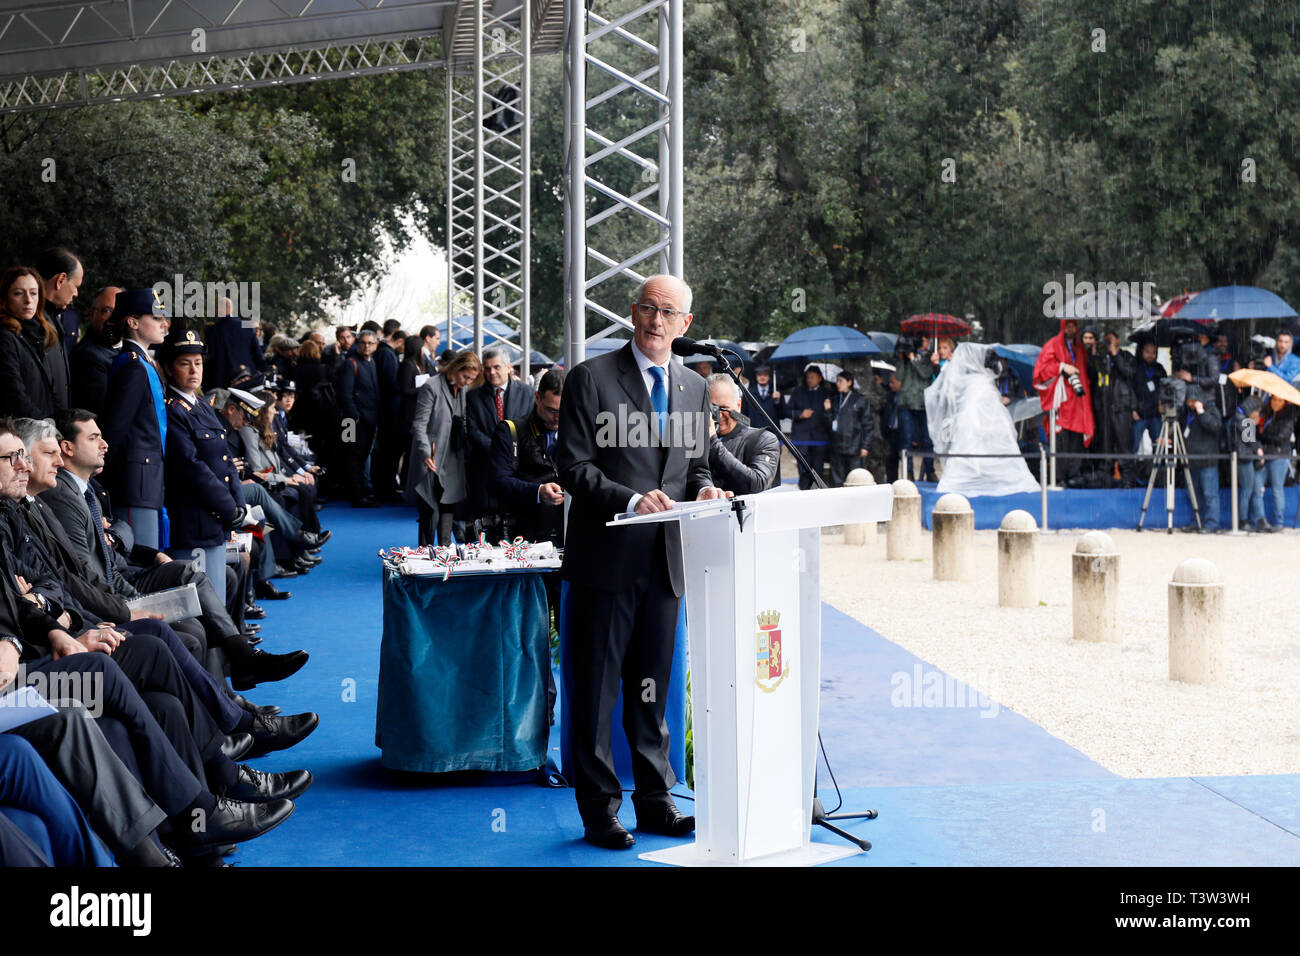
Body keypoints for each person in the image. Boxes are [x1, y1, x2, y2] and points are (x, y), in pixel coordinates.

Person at [554, 273, 723, 850]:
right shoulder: (590, 378)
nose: (655, 320)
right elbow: (573, 468)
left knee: (652, 689)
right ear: (632, 312)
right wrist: (629, 500)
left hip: (666, 562)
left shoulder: (696, 390)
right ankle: (599, 809)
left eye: (668, 312)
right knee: (598, 691)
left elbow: (692, 469)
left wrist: (703, 492)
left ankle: (656, 801)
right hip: (606, 561)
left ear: (685, 325)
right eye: (648, 308)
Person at [98, 288, 169, 549]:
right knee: (141, 560)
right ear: (133, 322)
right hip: (134, 481)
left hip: (145, 479)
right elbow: (116, 430)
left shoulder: (142, 362)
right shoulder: (132, 365)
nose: (164, 323)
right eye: (157, 317)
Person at [408, 350, 481, 546]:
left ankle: (445, 551)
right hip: (432, 456)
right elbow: (419, 425)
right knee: (428, 511)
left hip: (454, 457)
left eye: (471, 379)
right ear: (456, 368)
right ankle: (424, 553)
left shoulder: (463, 390)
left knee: (449, 506)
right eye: (465, 376)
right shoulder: (431, 386)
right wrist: (425, 453)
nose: (467, 382)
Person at [488, 368, 565, 546]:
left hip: (567, 533)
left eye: (564, 410)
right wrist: (538, 492)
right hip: (523, 536)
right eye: (552, 410)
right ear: (537, 398)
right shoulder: (509, 430)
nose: (558, 418)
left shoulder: (577, 432)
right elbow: (498, 482)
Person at [466, 346, 535, 536]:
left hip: (519, 467)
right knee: (486, 524)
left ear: (508, 367)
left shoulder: (527, 393)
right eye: (487, 368)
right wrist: (498, 451)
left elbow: (531, 426)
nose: (491, 372)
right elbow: (472, 430)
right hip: (485, 468)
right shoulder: (473, 397)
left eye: (496, 367)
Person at [1033, 319, 1094, 487]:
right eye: (1068, 325)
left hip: (1078, 404)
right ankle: (1059, 478)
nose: (1071, 328)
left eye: (1073, 325)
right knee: (1061, 441)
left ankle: (1073, 476)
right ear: (1063, 326)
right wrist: (1061, 367)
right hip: (1062, 403)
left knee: (1076, 441)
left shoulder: (1080, 349)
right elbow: (1041, 371)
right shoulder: (1052, 345)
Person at [0, 266, 65, 420]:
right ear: (4, 298)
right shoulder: (5, 337)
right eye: (18, 293)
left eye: (33, 293)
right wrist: (46, 428)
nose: (28, 300)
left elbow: (48, 389)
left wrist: (61, 421)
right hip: (24, 433)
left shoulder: (38, 332)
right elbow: (14, 395)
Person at [706, 372, 780, 495]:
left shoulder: (763, 439)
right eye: (712, 409)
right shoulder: (693, 439)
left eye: (724, 408)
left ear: (738, 405)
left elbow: (756, 485)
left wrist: (713, 443)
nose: (718, 415)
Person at [335, 328, 380, 507]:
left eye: (370, 343)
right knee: (353, 456)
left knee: (360, 457)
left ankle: (360, 492)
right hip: (353, 421)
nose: (366, 346)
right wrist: (355, 416)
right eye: (363, 342)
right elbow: (345, 394)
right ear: (357, 344)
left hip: (368, 418)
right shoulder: (350, 363)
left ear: (376, 345)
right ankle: (357, 495)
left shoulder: (372, 363)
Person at [33, 248, 80, 410]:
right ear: (61, 280)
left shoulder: (54, 317)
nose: (76, 293)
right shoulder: (32, 323)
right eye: (75, 286)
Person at [1089, 330, 1138, 487]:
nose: (1108, 343)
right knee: (1105, 444)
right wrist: (1096, 354)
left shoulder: (1125, 356)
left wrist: (1115, 354)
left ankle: (1127, 479)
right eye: (1106, 340)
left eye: (1110, 340)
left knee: (1124, 444)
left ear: (1117, 340)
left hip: (1121, 407)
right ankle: (1106, 477)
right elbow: (1092, 374)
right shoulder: (1101, 357)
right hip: (1104, 407)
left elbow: (1128, 373)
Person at [68, 285, 122, 414]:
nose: (113, 319)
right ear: (92, 314)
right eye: (106, 311)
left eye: (119, 312)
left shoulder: (124, 350)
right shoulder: (88, 356)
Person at [890, 340, 936, 481]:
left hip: (922, 404)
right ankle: (908, 472)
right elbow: (898, 377)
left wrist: (914, 359)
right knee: (906, 439)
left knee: (927, 440)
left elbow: (925, 374)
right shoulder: (903, 360)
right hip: (906, 404)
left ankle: (930, 471)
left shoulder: (928, 358)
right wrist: (900, 358)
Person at [1181, 385, 1223, 533]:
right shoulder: (1186, 413)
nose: (1191, 404)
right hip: (1191, 461)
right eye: (1189, 401)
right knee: (1193, 494)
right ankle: (1195, 522)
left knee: (1210, 494)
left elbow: (1215, 427)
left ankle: (1211, 524)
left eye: (1194, 400)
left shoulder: (1211, 411)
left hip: (1207, 461)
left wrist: (1201, 412)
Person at [788, 363, 836, 488]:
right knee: (803, 472)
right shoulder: (798, 392)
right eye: (808, 377)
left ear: (820, 378)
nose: (809, 380)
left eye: (812, 377)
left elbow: (832, 417)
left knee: (818, 472)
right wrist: (800, 414)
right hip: (802, 439)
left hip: (820, 440)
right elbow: (786, 411)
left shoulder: (827, 393)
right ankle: (804, 496)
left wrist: (828, 409)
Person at [202, 298, 264, 391]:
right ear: (231, 309)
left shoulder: (212, 331)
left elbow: (210, 358)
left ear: (218, 310)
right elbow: (258, 356)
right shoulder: (247, 326)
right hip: (246, 379)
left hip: (220, 382)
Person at [1229, 395, 1270, 532]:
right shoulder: (1242, 419)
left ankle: (1245, 520)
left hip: (1243, 457)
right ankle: (1243, 521)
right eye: (1257, 410)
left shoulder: (1239, 416)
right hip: (1244, 458)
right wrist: (1258, 449)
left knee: (1247, 491)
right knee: (1246, 491)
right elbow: (1250, 440)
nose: (1258, 413)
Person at [825, 370, 873, 487]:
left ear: (849, 382)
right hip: (837, 446)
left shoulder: (860, 400)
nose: (838, 384)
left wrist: (865, 446)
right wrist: (827, 411)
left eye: (841, 381)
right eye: (837, 381)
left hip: (854, 446)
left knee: (855, 477)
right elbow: (828, 424)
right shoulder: (834, 400)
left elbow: (868, 424)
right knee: (836, 480)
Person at [1256, 394, 1297, 528]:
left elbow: (1280, 437)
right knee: (1257, 488)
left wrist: (1263, 434)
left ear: (1284, 402)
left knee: (1277, 490)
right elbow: (1252, 436)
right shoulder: (1264, 414)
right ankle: (1260, 520)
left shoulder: (1288, 417)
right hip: (1263, 456)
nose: (1276, 403)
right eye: (1274, 399)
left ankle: (1278, 522)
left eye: (1280, 400)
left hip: (1279, 456)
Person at [1129, 339, 1167, 481]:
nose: (1151, 355)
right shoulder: (1135, 368)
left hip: (1156, 414)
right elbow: (1130, 390)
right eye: (1147, 352)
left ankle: (1157, 474)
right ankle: (1132, 476)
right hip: (1139, 413)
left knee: (1159, 444)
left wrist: (1162, 403)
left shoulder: (1160, 369)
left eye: (1154, 352)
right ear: (1141, 352)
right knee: (1134, 444)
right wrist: (1133, 409)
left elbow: (1165, 388)